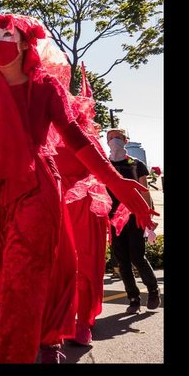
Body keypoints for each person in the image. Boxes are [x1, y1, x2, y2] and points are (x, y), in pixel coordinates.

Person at [0, 15, 156, 363]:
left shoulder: (46, 88)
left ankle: (21, 352)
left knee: (22, 282)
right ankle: (47, 337)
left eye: (7, 34)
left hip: (38, 188)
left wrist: (116, 182)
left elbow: (76, 138)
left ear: (26, 43)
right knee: (16, 283)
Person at [53, 63, 113, 346]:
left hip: (87, 210)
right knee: (56, 266)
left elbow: (105, 173)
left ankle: (83, 321)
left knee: (86, 266)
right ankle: (57, 320)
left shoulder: (88, 139)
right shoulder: (48, 137)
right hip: (56, 207)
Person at [106, 128, 161, 314]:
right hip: (113, 219)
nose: (114, 141)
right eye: (110, 138)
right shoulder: (105, 165)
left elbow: (144, 191)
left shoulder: (136, 164)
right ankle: (133, 298)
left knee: (137, 256)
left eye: (117, 137)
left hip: (134, 216)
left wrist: (147, 216)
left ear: (125, 140)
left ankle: (153, 290)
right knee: (122, 261)